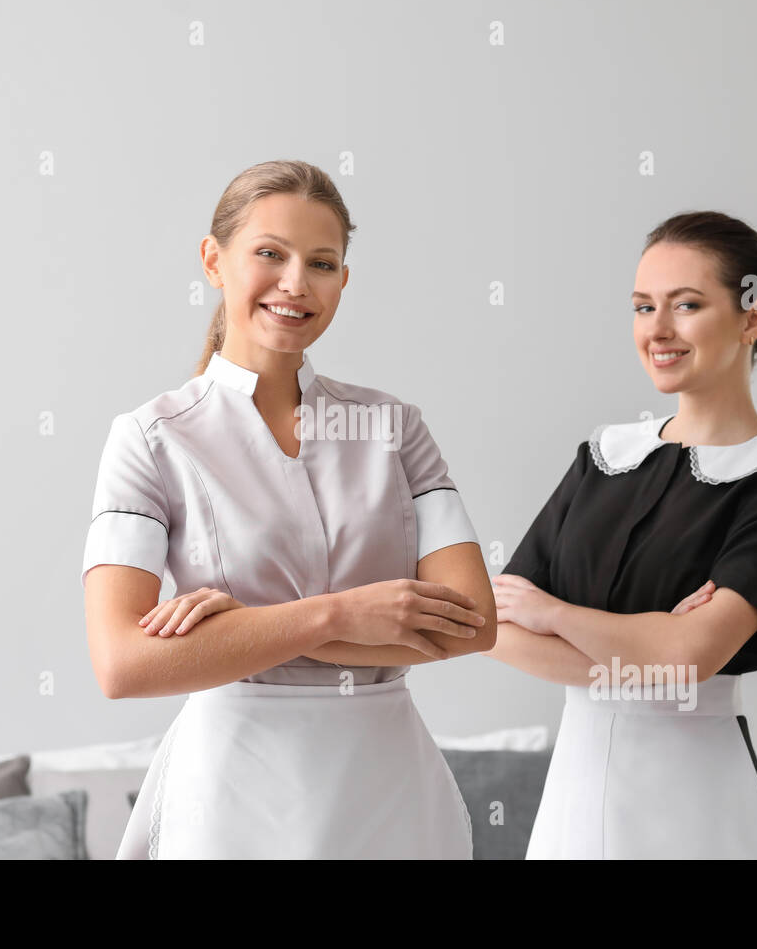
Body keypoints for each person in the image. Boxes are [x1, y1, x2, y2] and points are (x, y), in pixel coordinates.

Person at [81, 160, 496, 859]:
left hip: (387, 789)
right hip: (233, 795)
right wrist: (338, 615)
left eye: (323, 263)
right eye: (269, 254)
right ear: (214, 261)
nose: (296, 284)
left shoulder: (395, 429)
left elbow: (474, 624)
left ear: (343, 280)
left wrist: (238, 629)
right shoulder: (151, 440)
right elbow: (123, 664)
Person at [488, 210, 757, 859]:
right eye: (644, 306)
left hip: (695, 803)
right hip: (576, 797)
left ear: (752, 317)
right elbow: (497, 627)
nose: (658, 330)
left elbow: (689, 658)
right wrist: (654, 644)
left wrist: (557, 614)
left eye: (687, 305)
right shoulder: (602, 455)